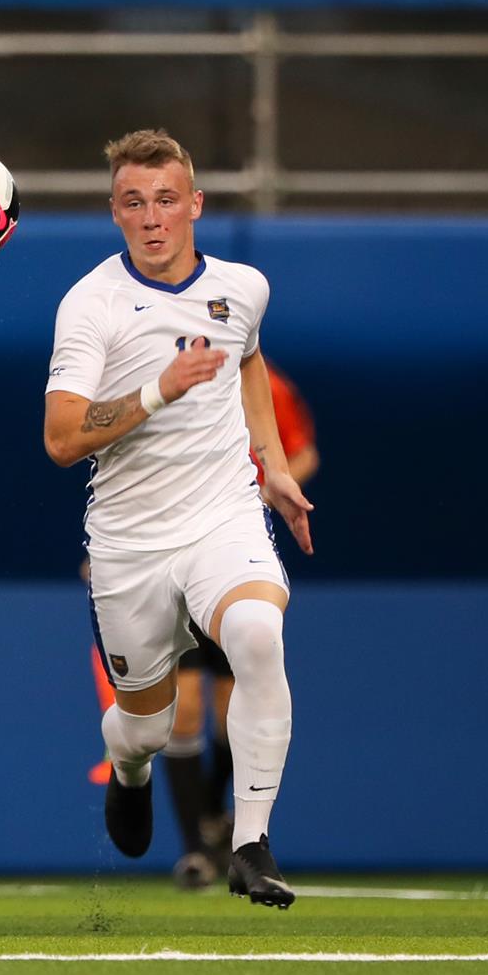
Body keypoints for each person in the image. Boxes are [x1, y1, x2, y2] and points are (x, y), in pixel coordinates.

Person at [44, 128, 314, 909]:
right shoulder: (91, 304)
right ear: (115, 212)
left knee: (260, 635)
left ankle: (250, 842)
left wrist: (274, 464)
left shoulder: (243, 287)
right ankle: (128, 770)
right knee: (150, 728)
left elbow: (249, 357)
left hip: (222, 519)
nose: (153, 217)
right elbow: (61, 439)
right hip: (130, 545)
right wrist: (159, 389)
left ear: (194, 203)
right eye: (135, 203)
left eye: (166, 200)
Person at [86, 364, 318, 892]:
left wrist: (261, 490)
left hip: (227, 550)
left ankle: (226, 828)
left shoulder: (261, 377)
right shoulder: (144, 366)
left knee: (236, 694)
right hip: (158, 551)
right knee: (175, 710)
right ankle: (194, 843)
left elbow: (300, 450)